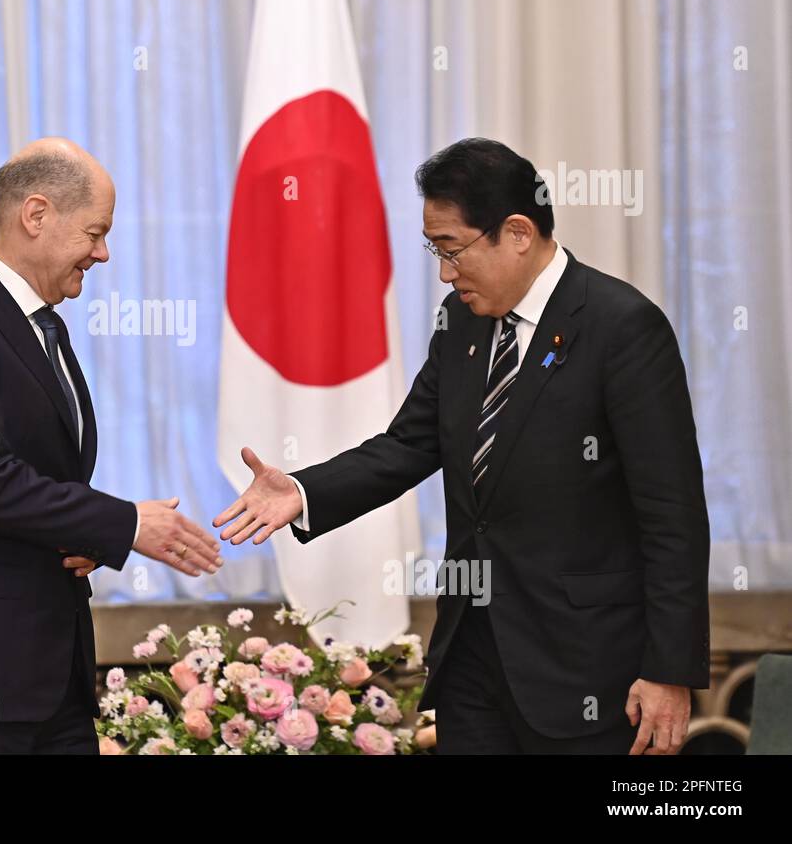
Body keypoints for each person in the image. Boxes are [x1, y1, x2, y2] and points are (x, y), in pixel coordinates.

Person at [215, 137, 710, 754]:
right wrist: (305, 490)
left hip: (585, 669)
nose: (447, 272)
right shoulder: (463, 320)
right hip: (472, 659)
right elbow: (409, 443)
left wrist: (670, 669)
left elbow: (674, 516)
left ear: (519, 232)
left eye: (453, 250)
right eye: (436, 252)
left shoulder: (622, 327)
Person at [0, 137, 221, 754]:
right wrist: (121, 523)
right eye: (96, 232)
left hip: (51, 677)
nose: (104, 253)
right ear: (36, 216)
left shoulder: (43, 325)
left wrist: (83, 534)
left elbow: (42, 476)